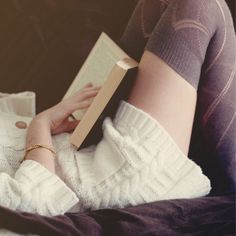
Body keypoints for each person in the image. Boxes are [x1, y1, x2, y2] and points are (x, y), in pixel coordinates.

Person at [0, 0, 235, 216]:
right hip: (104, 177)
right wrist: (41, 124)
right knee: (198, 5)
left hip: (82, 140)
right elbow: (30, 201)